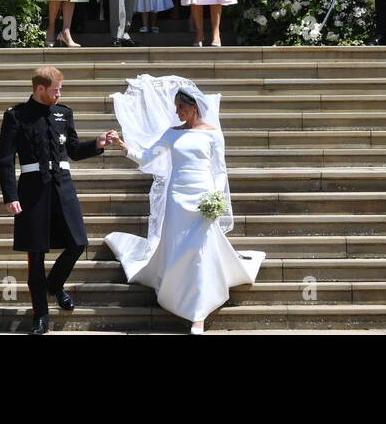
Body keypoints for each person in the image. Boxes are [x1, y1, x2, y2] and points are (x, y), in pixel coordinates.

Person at [104, 79, 265, 334]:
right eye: (176, 107)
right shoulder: (172, 133)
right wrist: (123, 146)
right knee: (181, 247)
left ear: (194, 107)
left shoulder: (212, 133)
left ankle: (198, 311)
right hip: (177, 196)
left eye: (180, 107)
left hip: (204, 196)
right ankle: (178, 293)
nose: (177, 111)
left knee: (199, 251)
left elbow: (219, 169)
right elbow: (147, 158)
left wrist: (216, 197)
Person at [0, 66, 110, 334]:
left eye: (60, 89)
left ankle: (54, 285)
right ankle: (41, 315)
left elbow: (73, 150)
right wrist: (10, 196)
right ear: (40, 89)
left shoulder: (64, 113)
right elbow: (5, 160)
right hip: (33, 191)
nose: (59, 94)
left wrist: (97, 143)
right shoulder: (16, 116)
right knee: (35, 255)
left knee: (78, 242)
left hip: (63, 188)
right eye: (55, 90)